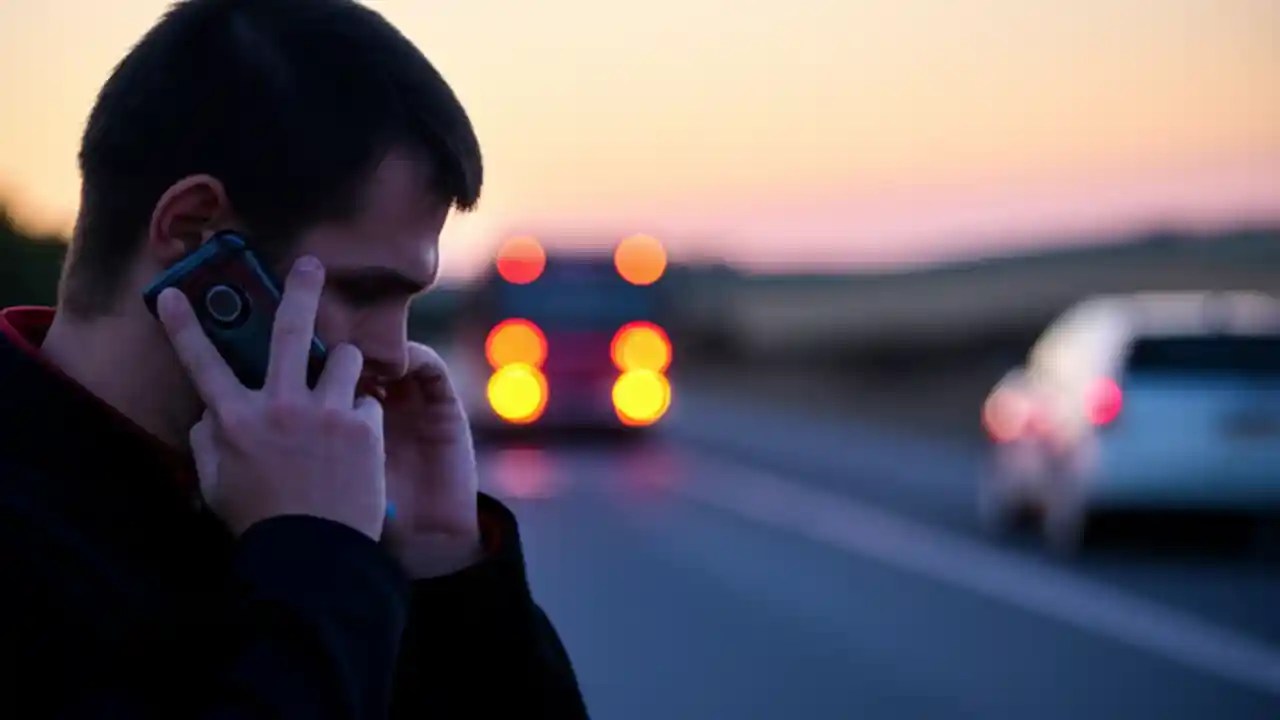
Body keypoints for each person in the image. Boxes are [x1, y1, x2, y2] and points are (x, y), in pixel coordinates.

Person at [0, 0, 589, 717]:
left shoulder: (297, 507)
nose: (393, 353)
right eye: (363, 289)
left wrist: (445, 567)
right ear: (192, 233)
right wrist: (318, 559)